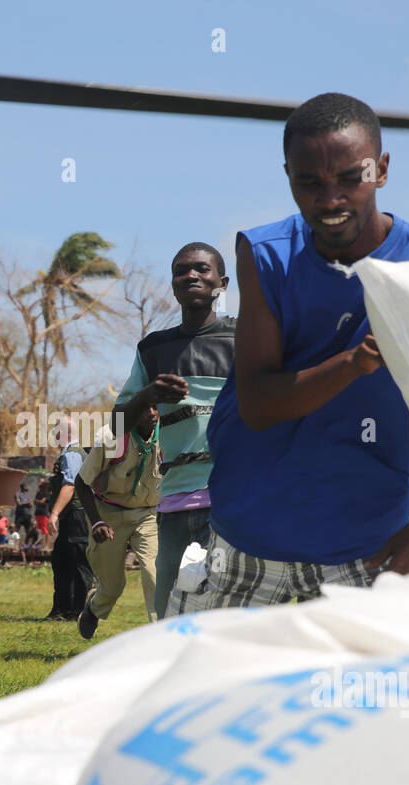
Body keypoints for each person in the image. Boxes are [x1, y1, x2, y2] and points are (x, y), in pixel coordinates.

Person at [170, 92, 409, 615]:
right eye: (309, 182)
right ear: (288, 176)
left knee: (390, 697)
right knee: (188, 691)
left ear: (382, 170)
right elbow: (258, 404)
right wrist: (355, 363)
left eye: (350, 177)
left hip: (369, 548)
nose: (330, 200)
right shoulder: (266, 254)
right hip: (248, 538)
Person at [113, 242, 235, 618]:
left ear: (222, 283)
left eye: (202, 269)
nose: (192, 276)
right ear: (173, 284)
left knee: (227, 613)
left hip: (233, 501)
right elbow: (118, 424)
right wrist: (147, 395)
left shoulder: (247, 339)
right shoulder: (153, 350)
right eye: (182, 271)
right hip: (174, 505)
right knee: (168, 615)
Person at [74, 408, 162, 639]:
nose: (151, 412)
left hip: (148, 513)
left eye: (156, 406)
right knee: (112, 587)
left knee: (155, 574)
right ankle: (94, 606)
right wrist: (97, 523)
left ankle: (163, 636)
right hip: (109, 513)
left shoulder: (170, 435)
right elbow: (82, 483)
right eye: (145, 407)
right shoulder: (112, 438)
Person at [44, 417, 94, 621]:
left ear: (59, 434)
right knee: (62, 562)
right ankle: (62, 610)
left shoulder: (72, 455)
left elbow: (70, 484)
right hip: (75, 515)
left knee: (79, 563)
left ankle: (79, 611)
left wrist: (54, 513)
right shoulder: (75, 452)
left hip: (76, 515)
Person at [33, 480, 51, 547]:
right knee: (39, 530)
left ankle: (47, 545)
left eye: (42, 487)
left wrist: (38, 501)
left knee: (45, 530)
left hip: (44, 514)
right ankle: (39, 544)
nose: (41, 488)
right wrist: (39, 501)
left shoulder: (48, 494)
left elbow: (41, 502)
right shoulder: (38, 493)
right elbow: (35, 502)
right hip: (37, 513)